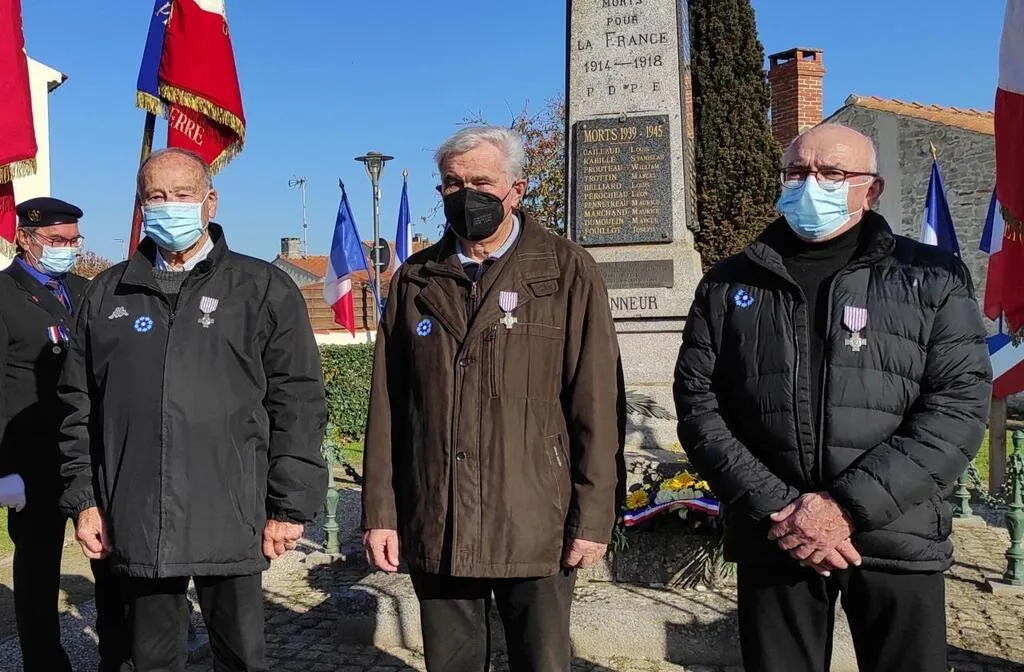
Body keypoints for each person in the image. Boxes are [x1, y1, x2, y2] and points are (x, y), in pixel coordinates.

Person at [673, 123, 992, 672]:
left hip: (895, 531)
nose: (810, 184)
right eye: (798, 171)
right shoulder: (727, 282)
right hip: (776, 534)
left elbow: (958, 406)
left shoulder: (931, 276)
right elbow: (699, 405)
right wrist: (783, 509)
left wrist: (844, 506)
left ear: (871, 190)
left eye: (832, 173)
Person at [362, 126, 624, 671]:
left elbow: (596, 404)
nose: (467, 196)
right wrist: (381, 513)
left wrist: (594, 516)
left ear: (516, 189)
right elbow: (388, 406)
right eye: (453, 184)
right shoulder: (415, 279)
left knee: (541, 662)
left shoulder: (566, 270)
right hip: (439, 516)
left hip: (534, 519)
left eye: (482, 182)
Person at [58, 148, 329, 672]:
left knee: (241, 657)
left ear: (210, 202)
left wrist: (290, 505)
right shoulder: (107, 293)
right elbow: (78, 406)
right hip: (138, 518)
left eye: (182, 194)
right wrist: (84, 499)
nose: (169, 206)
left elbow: (298, 401)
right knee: (151, 660)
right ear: (141, 205)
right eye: (156, 196)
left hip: (232, 512)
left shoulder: (261, 288)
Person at [0, 197, 131, 672]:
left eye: (74, 241)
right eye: (56, 240)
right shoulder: (4, 293)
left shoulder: (84, 289)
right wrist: (3, 469)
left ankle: (118, 656)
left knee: (111, 565)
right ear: (25, 238)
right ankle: (45, 664)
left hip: (92, 454)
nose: (67, 249)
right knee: (38, 572)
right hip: (33, 460)